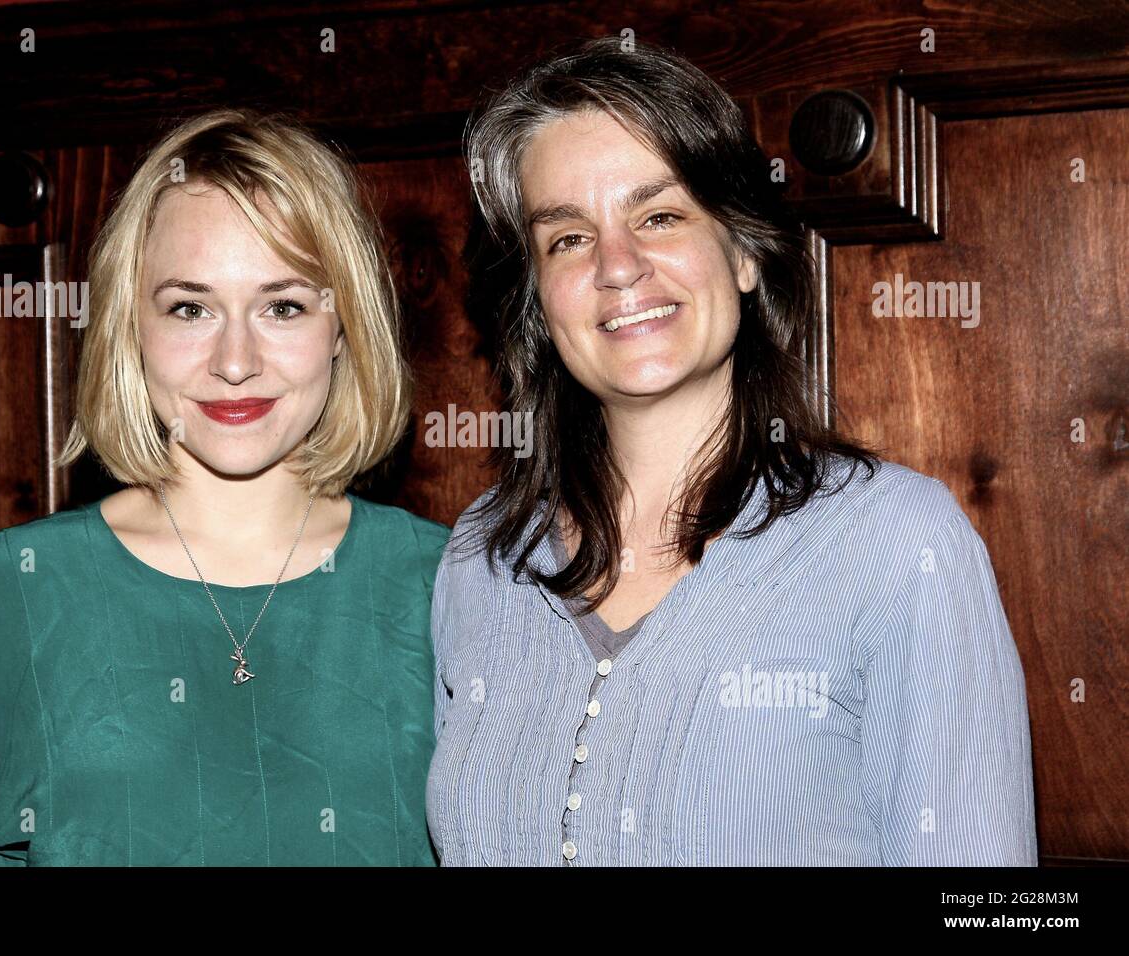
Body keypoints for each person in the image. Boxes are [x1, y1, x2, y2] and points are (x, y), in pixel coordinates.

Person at [427, 37, 1038, 866]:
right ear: (536, 297)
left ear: (745, 250)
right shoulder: (480, 558)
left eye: (661, 216)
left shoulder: (898, 546)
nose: (618, 266)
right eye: (567, 238)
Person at [0, 108, 448, 866]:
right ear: (126, 325)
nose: (235, 361)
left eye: (283, 306)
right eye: (190, 307)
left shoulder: (454, 585)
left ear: (343, 330)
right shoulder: (11, 590)